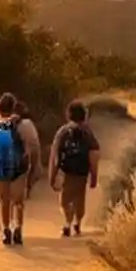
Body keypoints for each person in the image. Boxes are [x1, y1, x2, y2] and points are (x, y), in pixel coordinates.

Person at [0, 93, 40, 246]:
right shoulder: (25, 125)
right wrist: (34, 169)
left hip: (0, 167)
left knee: (4, 201)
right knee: (18, 201)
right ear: (15, 107)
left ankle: (6, 230)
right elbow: (33, 147)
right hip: (19, 168)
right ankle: (18, 229)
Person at [49, 100, 101, 237]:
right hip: (82, 172)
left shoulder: (63, 131)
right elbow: (94, 154)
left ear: (68, 114)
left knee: (65, 200)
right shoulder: (88, 133)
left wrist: (52, 176)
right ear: (85, 115)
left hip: (67, 171)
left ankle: (67, 223)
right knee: (79, 197)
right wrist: (94, 176)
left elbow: (55, 155)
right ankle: (77, 222)